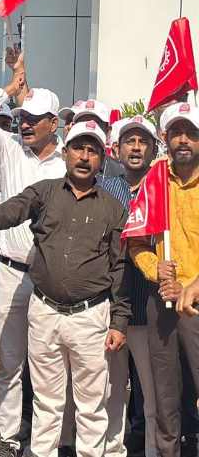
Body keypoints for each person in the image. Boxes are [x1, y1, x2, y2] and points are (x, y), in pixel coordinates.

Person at [0, 120, 129, 457]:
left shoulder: (114, 208)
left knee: (91, 404)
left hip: (90, 316)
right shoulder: (46, 191)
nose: (84, 157)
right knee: (48, 400)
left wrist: (119, 322)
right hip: (45, 311)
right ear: (65, 153)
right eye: (78, 148)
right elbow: (15, 207)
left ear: (102, 158)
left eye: (92, 150)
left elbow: (119, 268)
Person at [0, 58, 66, 457]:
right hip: (8, 272)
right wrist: (9, 90)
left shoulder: (68, 163)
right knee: (9, 363)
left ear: (54, 124)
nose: (25, 124)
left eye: (35, 119)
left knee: (48, 367)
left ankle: (46, 442)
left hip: (50, 279)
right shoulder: (9, 150)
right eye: (23, 117)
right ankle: (7, 437)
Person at [135, 102, 199, 457]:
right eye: (176, 133)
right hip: (164, 303)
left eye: (191, 132)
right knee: (165, 399)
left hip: (196, 302)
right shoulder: (156, 180)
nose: (184, 140)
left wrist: (193, 286)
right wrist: (155, 269)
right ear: (166, 138)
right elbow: (137, 242)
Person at [109, 116, 161, 457]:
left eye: (143, 141)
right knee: (109, 392)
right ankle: (110, 449)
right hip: (110, 309)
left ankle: (155, 449)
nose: (136, 147)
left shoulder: (164, 189)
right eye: (130, 141)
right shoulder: (104, 188)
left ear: (154, 149)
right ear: (116, 149)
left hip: (149, 307)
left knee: (153, 392)